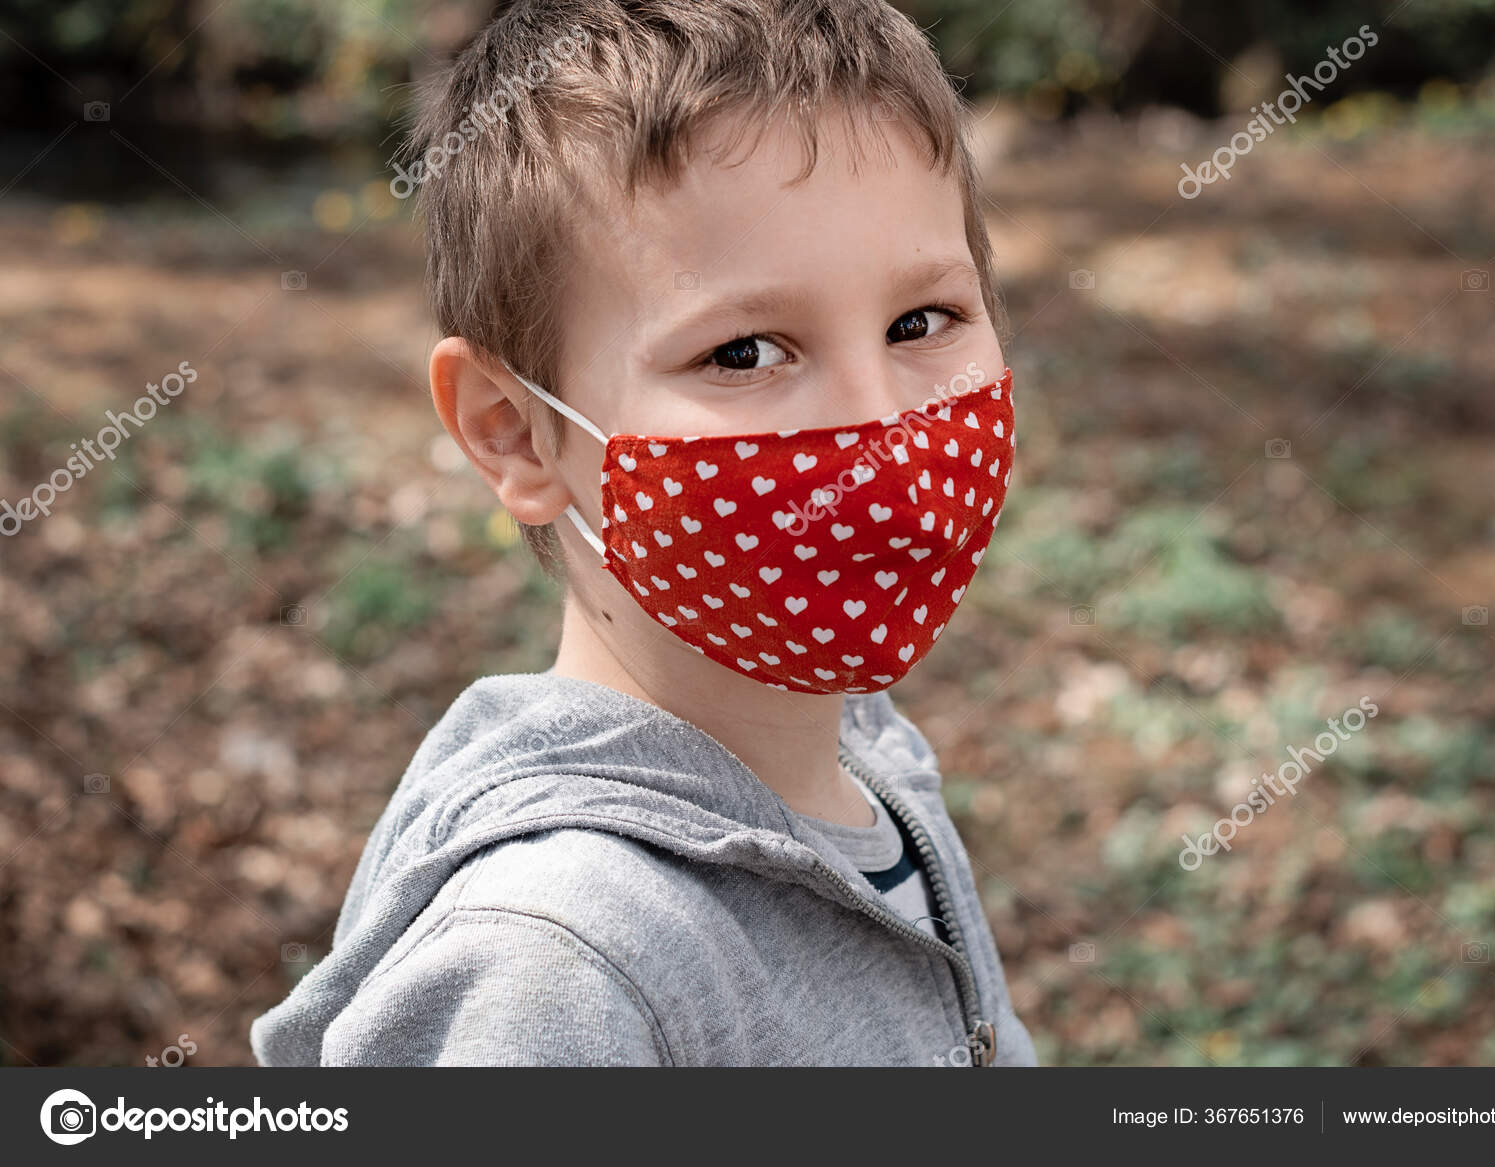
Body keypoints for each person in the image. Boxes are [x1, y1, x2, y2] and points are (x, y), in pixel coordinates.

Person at [250, 0, 1035, 1066]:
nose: (878, 430)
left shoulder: (874, 762)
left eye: (919, 323)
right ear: (514, 434)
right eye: (745, 353)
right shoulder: (555, 965)